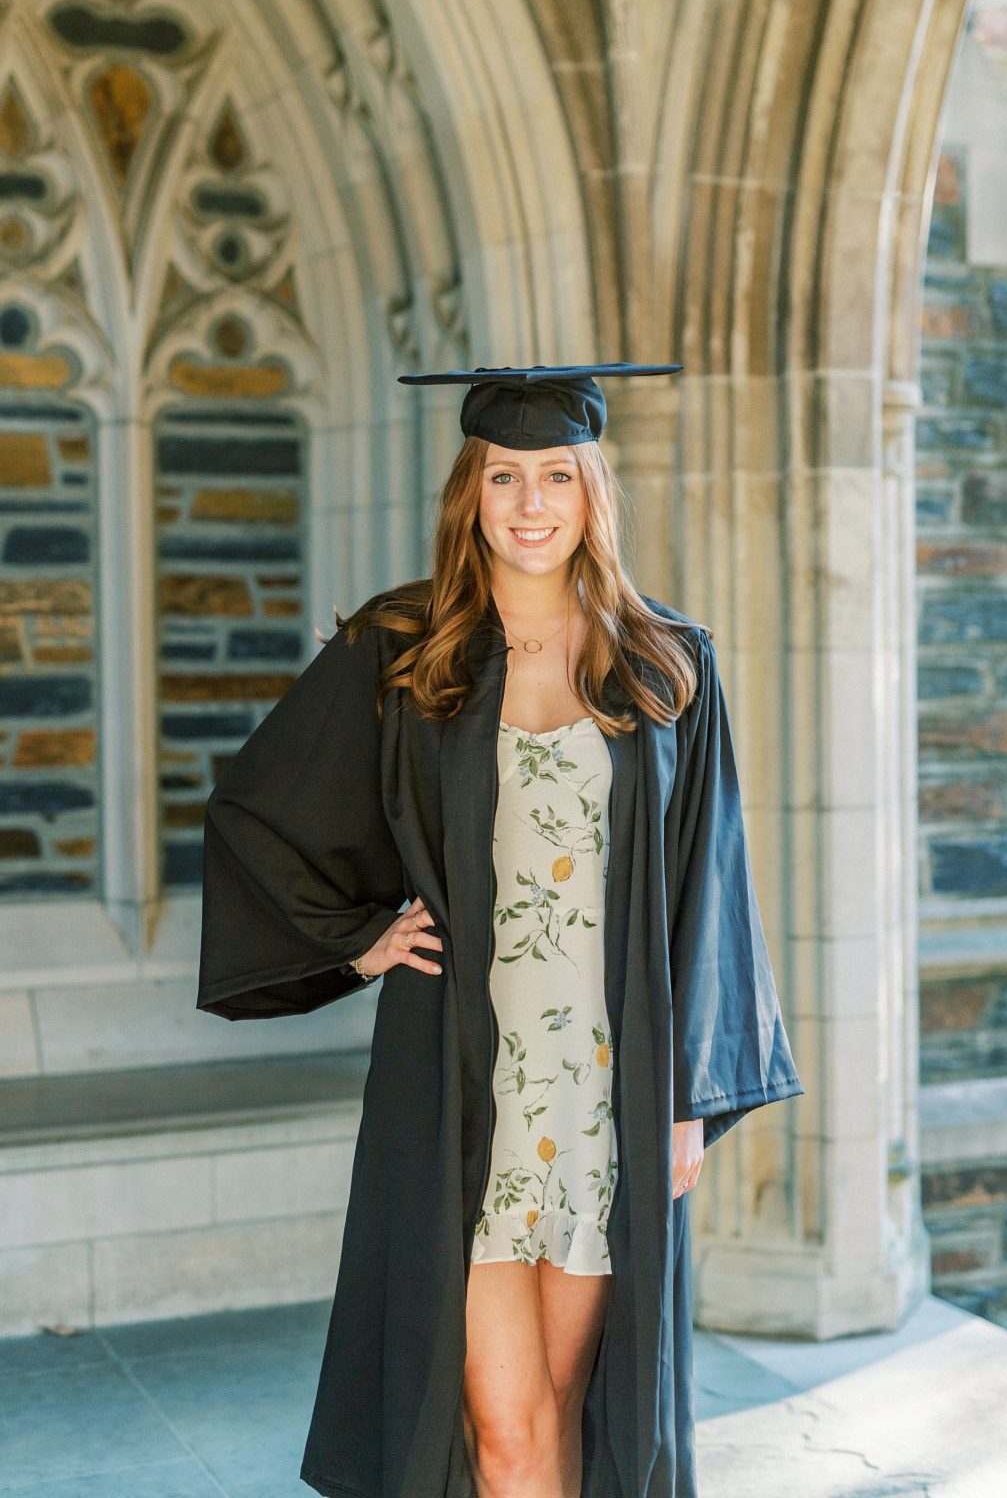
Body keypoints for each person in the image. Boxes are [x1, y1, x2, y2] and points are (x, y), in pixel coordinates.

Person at [196, 362, 804, 1498]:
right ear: (469, 494)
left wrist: (688, 1096)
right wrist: (360, 936)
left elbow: (708, 882)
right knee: (498, 1420)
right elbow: (258, 809)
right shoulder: (402, 649)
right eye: (504, 476)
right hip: (460, 1080)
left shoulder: (667, 662)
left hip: (604, 1087)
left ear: (591, 495)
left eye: (556, 477)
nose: (530, 504)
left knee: (571, 1408)